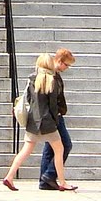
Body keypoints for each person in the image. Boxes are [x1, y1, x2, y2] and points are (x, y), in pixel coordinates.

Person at [2, 52, 76, 192]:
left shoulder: (32, 79)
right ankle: (62, 181)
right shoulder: (51, 80)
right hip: (48, 121)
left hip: (33, 121)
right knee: (60, 149)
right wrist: (55, 120)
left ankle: (9, 176)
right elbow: (53, 105)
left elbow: (29, 99)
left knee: (25, 151)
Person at [37, 48, 76, 191]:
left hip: (55, 116)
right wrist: (54, 118)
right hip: (54, 117)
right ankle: (49, 175)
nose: (67, 68)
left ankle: (45, 180)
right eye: (66, 64)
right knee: (66, 144)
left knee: (50, 149)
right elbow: (52, 101)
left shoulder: (55, 74)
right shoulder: (51, 76)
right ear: (59, 61)